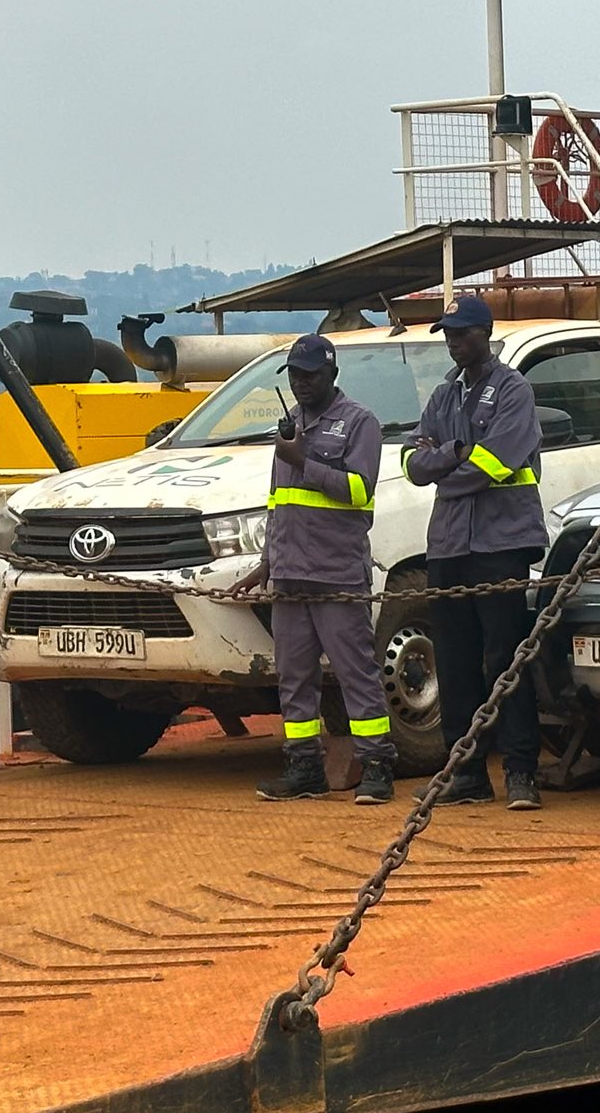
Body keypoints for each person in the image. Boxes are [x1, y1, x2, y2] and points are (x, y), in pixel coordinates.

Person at [233, 333, 395, 804]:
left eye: (311, 375)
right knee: (294, 676)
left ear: (332, 374)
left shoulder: (359, 423)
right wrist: (266, 563)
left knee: (356, 673)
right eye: (295, 375)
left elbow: (360, 492)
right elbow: (278, 504)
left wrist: (304, 461)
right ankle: (304, 766)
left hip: (336, 573)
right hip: (288, 576)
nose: (302, 383)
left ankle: (378, 766)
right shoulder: (289, 429)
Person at [402, 296, 548, 810]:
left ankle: (521, 770)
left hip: (500, 542)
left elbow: (496, 462)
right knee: (456, 662)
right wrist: (449, 455)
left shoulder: (514, 390)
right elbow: (413, 464)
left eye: (461, 333)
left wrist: (449, 467)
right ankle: (464, 773)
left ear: (484, 332)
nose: (452, 341)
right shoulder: (443, 396)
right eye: (448, 332)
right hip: (448, 545)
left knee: (505, 658)